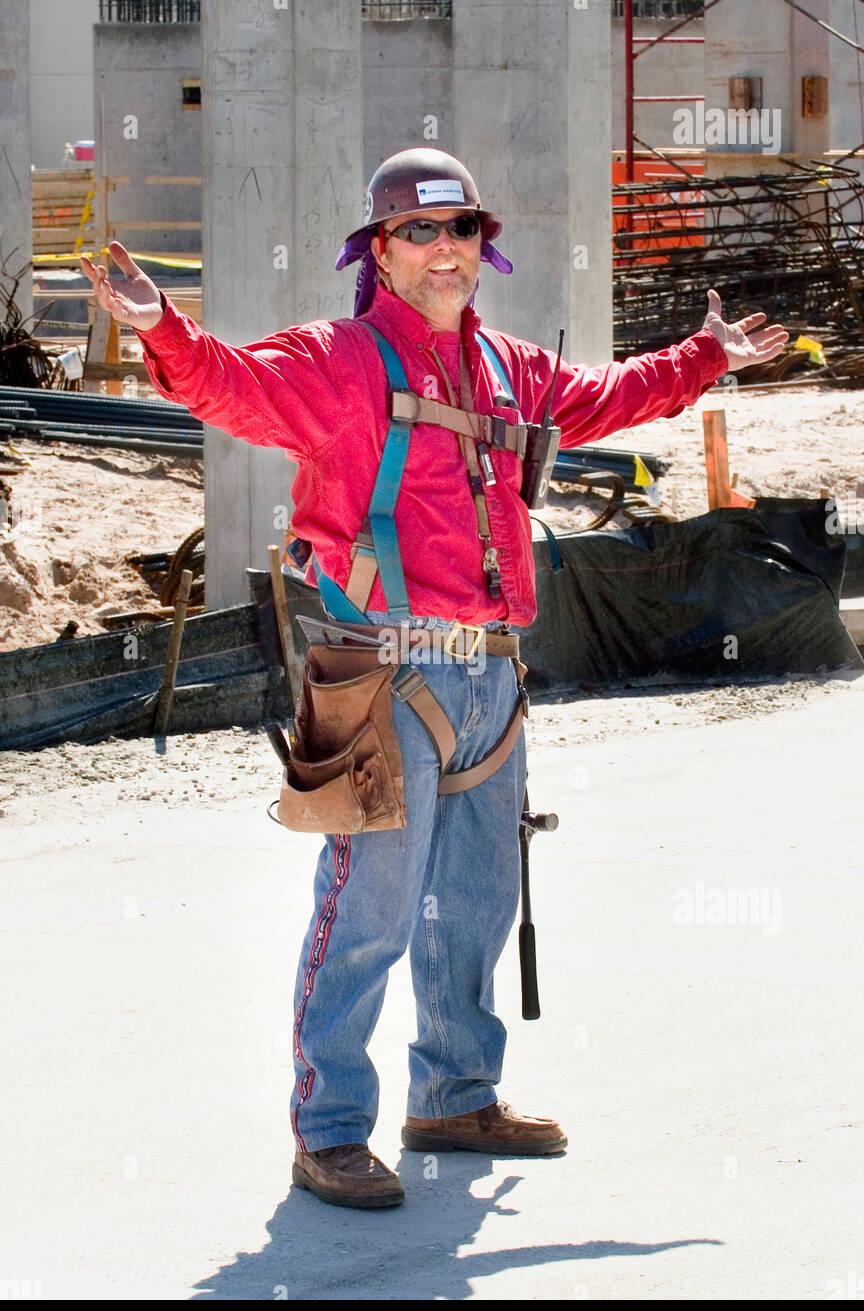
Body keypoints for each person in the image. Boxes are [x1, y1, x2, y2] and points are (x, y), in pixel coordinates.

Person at [80, 148, 788, 1212]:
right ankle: (328, 1131)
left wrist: (703, 357)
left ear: (479, 245)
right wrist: (158, 327)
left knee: (475, 903)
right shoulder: (340, 360)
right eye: (419, 231)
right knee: (368, 908)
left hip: (490, 680)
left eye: (460, 229)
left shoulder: (507, 366)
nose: (444, 248)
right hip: (380, 673)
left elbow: (600, 398)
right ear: (380, 252)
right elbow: (234, 386)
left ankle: (455, 1093)